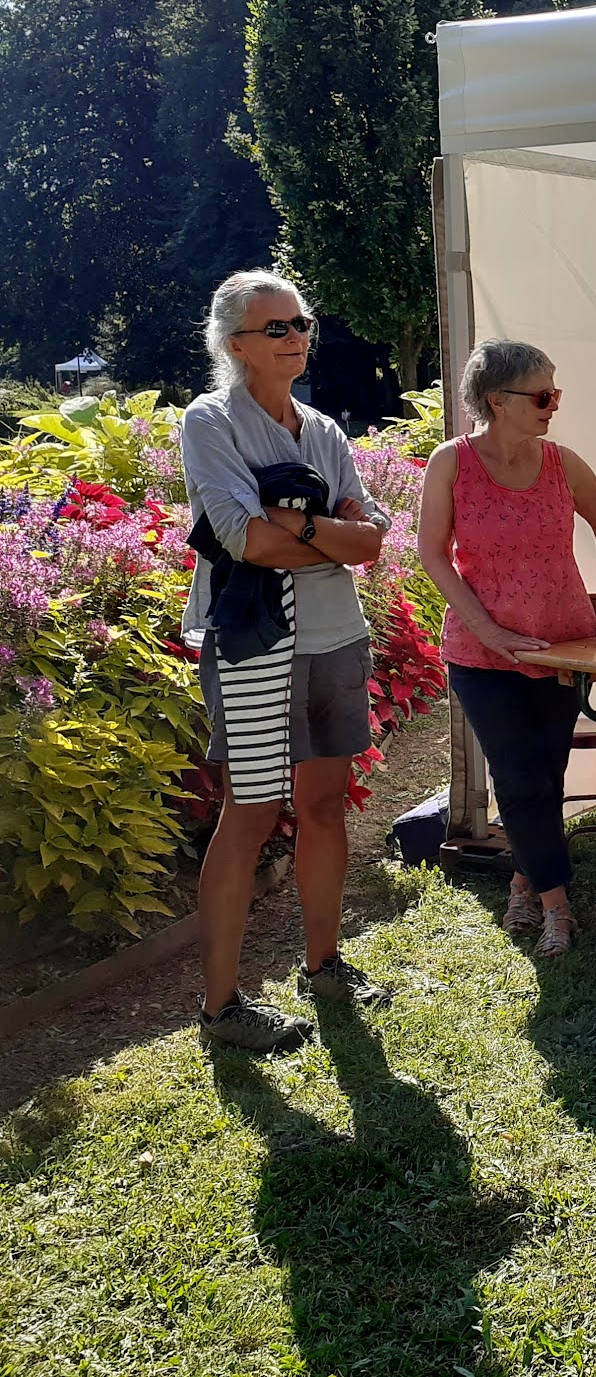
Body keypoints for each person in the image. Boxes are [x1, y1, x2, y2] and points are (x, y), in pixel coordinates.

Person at [181, 270, 393, 1052]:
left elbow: (369, 543)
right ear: (235, 344)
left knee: (324, 805)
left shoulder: (324, 431)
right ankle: (222, 1009)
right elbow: (243, 540)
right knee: (250, 813)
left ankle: (325, 964)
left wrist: (289, 522)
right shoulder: (211, 422)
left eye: (301, 322)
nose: (297, 336)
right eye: (277, 328)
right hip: (254, 641)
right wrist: (317, 529)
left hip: (337, 633)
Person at [418, 339, 596, 957]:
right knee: (516, 779)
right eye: (542, 395)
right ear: (497, 400)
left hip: (562, 646)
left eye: (555, 393)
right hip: (481, 652)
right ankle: (557, 909)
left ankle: (523, 879)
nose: (553, 406)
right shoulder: (451, 464)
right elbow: (432, 553)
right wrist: (487, 629)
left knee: (545, 773)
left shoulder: (564, 462)